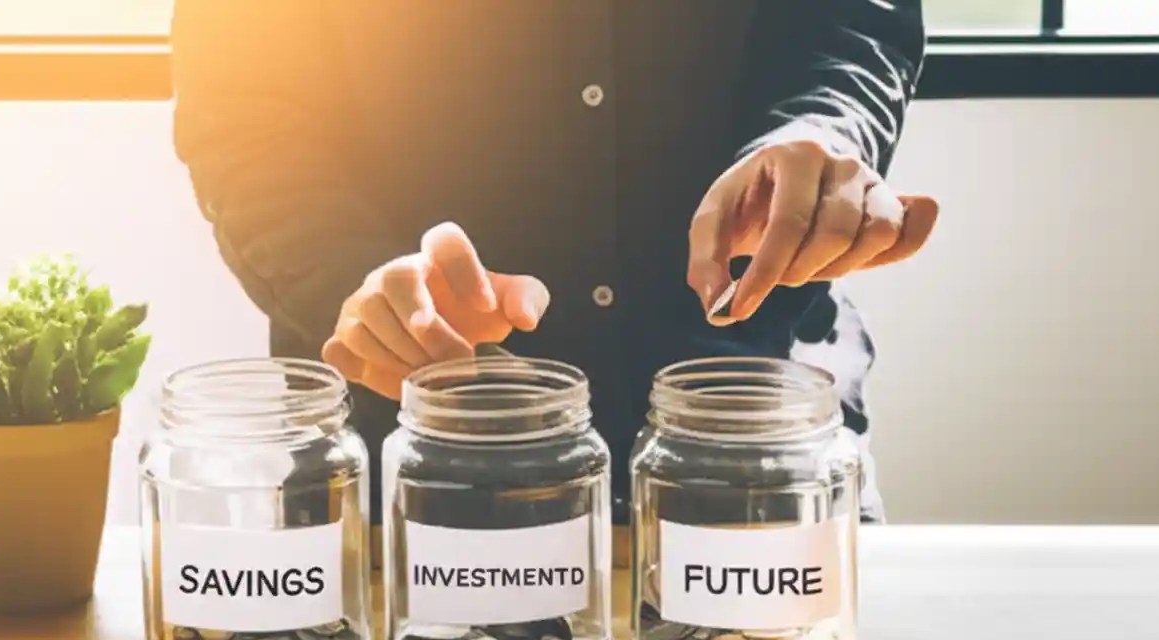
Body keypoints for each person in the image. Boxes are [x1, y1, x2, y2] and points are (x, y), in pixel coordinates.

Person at [171, 0, 939, 524]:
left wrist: (826, 134)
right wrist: (351, 279)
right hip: (411, 457)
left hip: (761, 426)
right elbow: (244, 113)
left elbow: (850, 25)